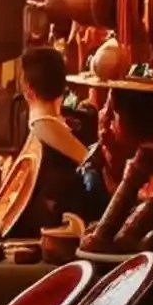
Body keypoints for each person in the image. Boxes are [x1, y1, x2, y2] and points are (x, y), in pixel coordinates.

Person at [16, 47, 91, 235]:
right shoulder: (61, 124)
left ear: (29, 89)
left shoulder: (43, 127)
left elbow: (88, 161)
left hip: (56, 226)